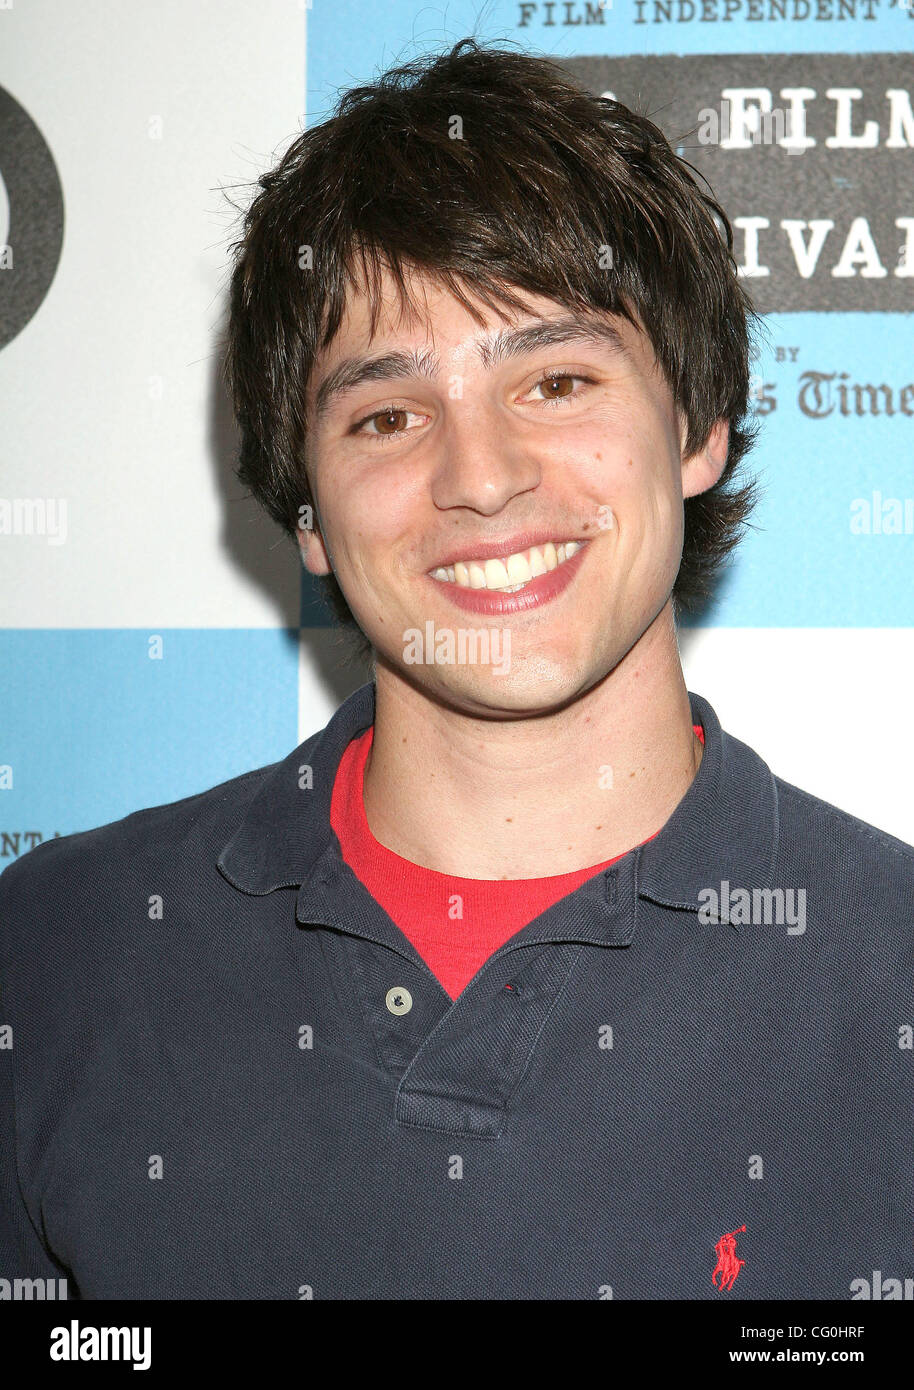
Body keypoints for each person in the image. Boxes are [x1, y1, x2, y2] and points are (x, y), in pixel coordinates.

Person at [1, 38, 911, 1302]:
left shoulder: (890, 970)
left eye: (555, 379)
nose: (478, 475)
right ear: (307, 512)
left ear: (697, 425)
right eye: (385, 414)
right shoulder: (53, 956)